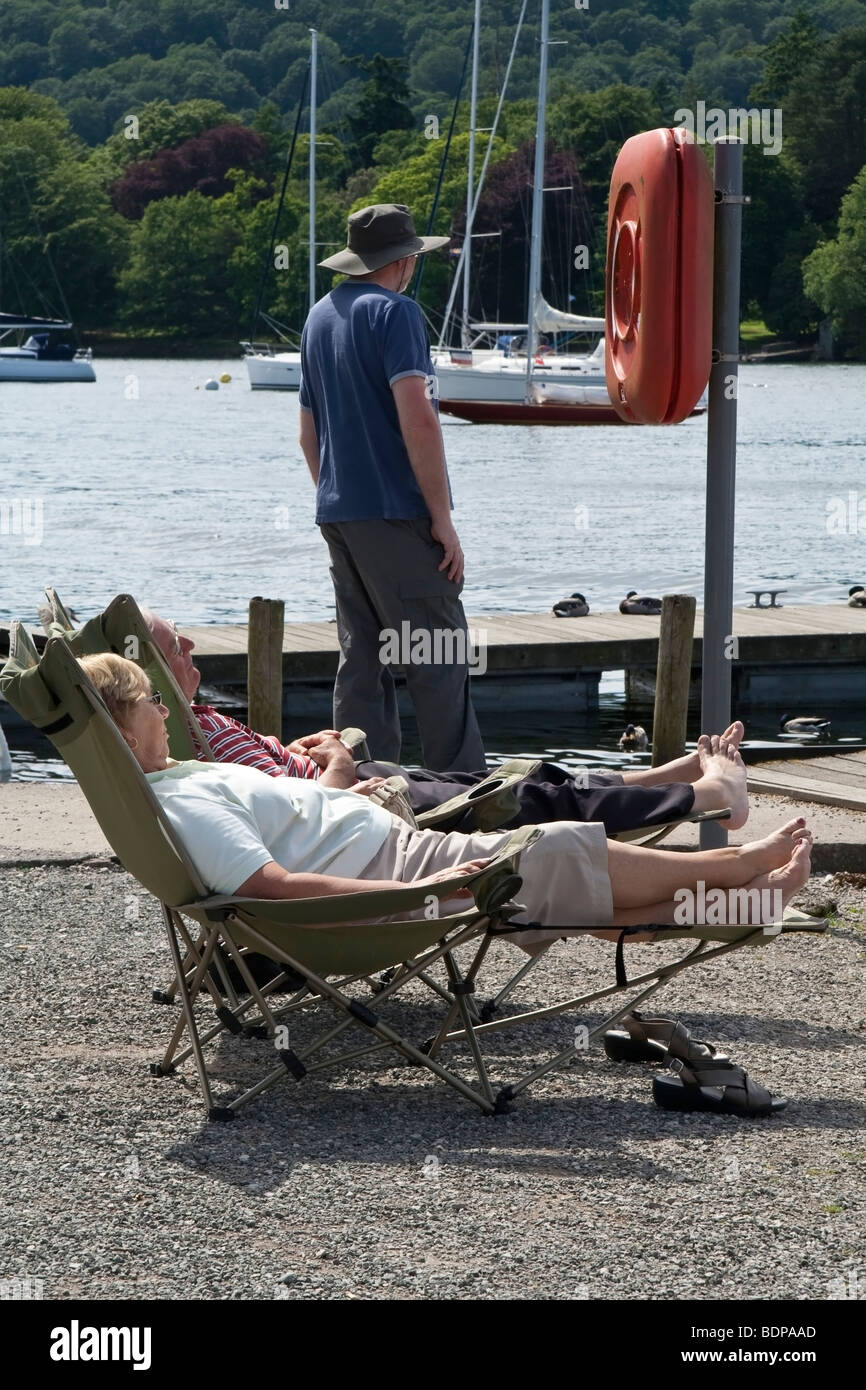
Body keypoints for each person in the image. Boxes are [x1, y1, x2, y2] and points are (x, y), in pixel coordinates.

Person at [78, 653, 813, 945]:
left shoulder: (177, 780)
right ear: (122, 723)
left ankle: (742, 904)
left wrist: (340, 775)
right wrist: (417, 887)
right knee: (552, 846)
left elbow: (295, 827)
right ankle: (742, 865)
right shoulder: (185, 803)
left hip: (386, 842)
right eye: (149, 699)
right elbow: (270, 887)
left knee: (558, 881)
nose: (165, 708)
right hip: (392, 871)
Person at [143, 609, 750, 836]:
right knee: (529, 804)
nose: (193, 643)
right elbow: (302, 814)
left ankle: (679, 777)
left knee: (531, 780)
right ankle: (704, 794)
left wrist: (317, 747)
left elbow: (274, 779)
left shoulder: (183, 728)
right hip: (370, 803)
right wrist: (337, 761)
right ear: (156, 677)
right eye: (177, 647)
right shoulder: (191, 746)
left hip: (370, 782)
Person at [298, 202, 485, 772]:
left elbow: (308, 435)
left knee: (363, 659)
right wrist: (442, 519)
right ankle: (463, 790)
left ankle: (360, 785)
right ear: (404, 261)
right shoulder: (397, 314)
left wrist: (339, 495)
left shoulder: (318, 317)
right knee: (440, 652)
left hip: (339, 512)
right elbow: (419, 419)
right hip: (398, 515)